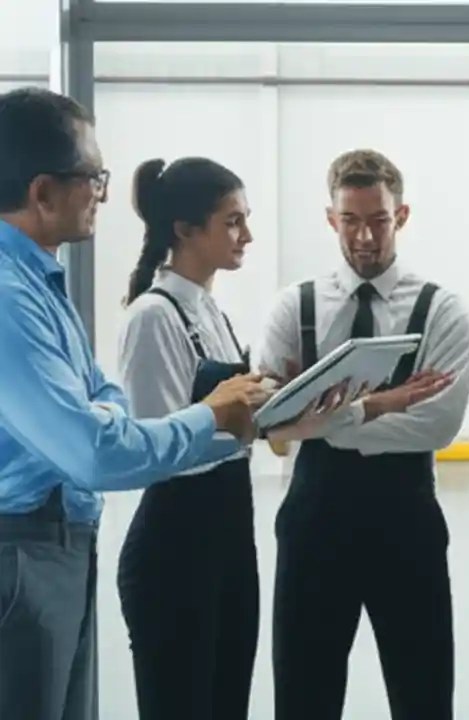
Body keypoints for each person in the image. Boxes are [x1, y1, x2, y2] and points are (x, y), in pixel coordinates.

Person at [0, 88, 269, 720]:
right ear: (42, 192)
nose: (101, 191)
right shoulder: (10, 298)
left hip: (59, 546)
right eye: (93, 176)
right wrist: (210, 415)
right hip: (22, 554)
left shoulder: (41, 281)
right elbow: (96, 449)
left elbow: (106, 401)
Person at [112, 156, 387, 720]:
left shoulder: (211, 310)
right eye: (232, 222)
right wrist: (246, 416)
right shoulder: (152, 318)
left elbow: (236, 429)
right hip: (174, 548)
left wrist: (306, 404)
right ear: (186, 230)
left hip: (229, 542)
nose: (248, 235)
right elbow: (154, 448)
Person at [256, 148, 469, 720]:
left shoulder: (443, 310)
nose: (365, 237)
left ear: (401, 216)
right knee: (304, 696)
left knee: (423, 693)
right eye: (350, 221)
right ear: (331, 219)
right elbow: (270, 419)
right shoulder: (293, 306)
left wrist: (325, 421)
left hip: (407, 524)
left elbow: (438, 423)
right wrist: (378, 407)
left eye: (378, 220)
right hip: (313, 520)